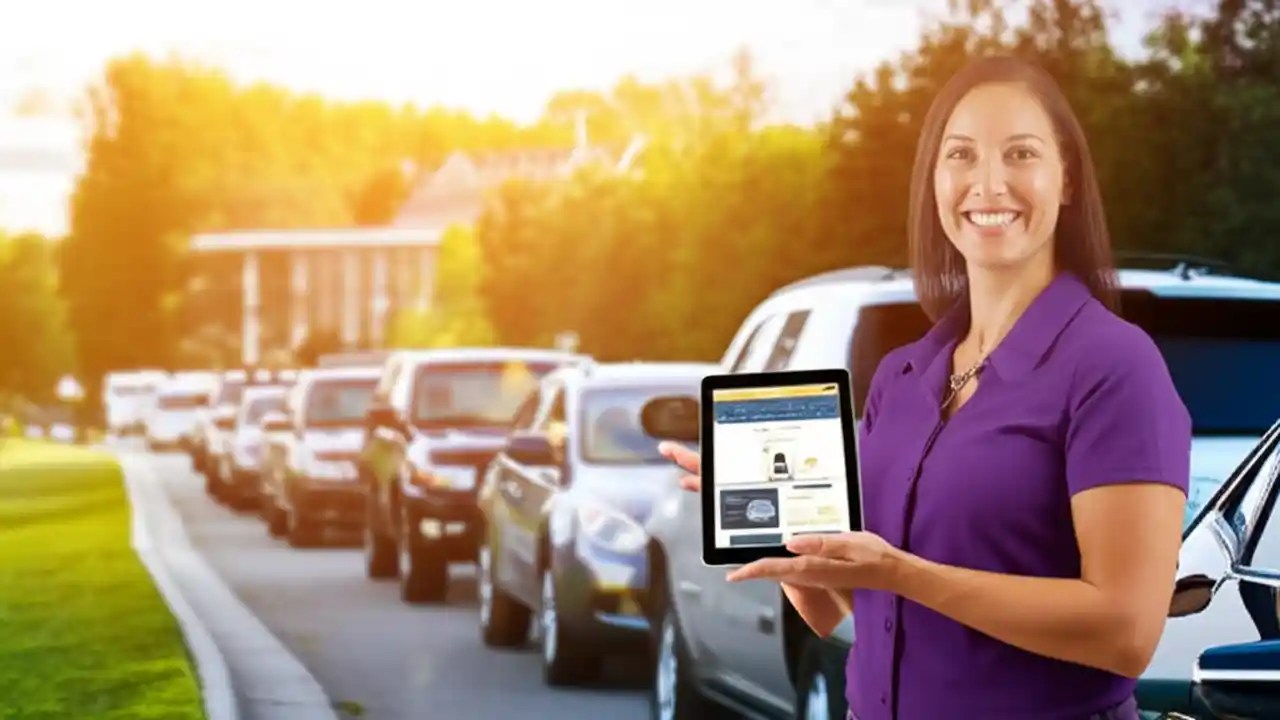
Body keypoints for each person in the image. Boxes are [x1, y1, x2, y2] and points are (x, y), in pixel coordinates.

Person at [659, 55, 1190, 720]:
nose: (988, 183)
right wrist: (778, 530)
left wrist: (901, 572)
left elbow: (1126, 633)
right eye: (961, 155)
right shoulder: (904, 377)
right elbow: (853, 609)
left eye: (1020, 153)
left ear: (1069, 179)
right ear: (934, 181)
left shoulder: (1115, 367)